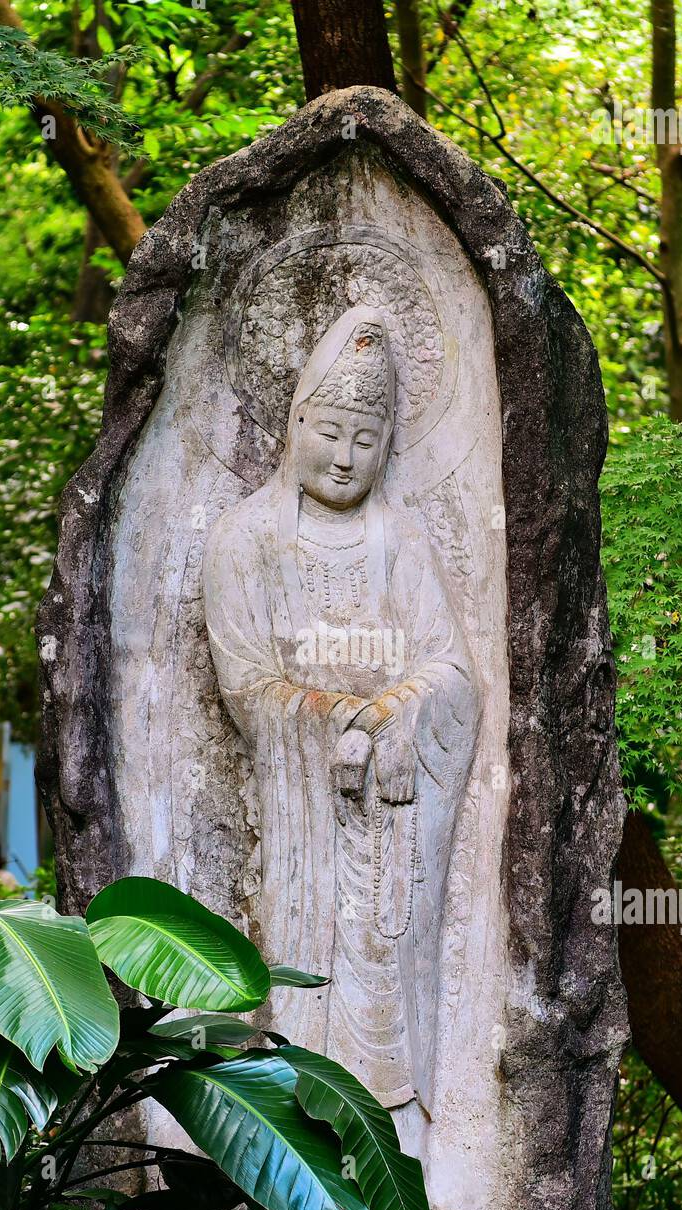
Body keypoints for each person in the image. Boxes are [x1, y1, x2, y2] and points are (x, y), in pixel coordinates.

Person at [203, 309, 479, 1126]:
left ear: (390, 440)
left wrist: (391, 717)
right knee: (303, 963)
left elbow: (452, 669)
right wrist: (341, 722)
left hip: (391, 816)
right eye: (329, 432)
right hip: (299, 815)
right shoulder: (245, 539)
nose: (346, 456)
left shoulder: (400, 539)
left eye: (367, 437)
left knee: (383, 961)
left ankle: (397, 1145)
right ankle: (299, 1145)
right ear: (296, 423)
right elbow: (244, 682)